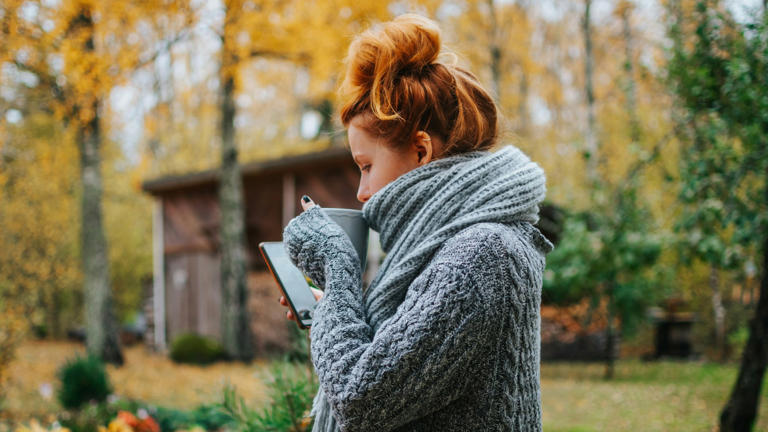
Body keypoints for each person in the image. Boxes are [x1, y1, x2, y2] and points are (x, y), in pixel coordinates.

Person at [280, 13, 553, 432]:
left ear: (421, 151)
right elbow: (400, 365)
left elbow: (361, 398)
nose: (361, 190)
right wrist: (334, 309)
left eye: (366, 166)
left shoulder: (481, 255)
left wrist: (337, 269)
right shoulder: (453, 245)